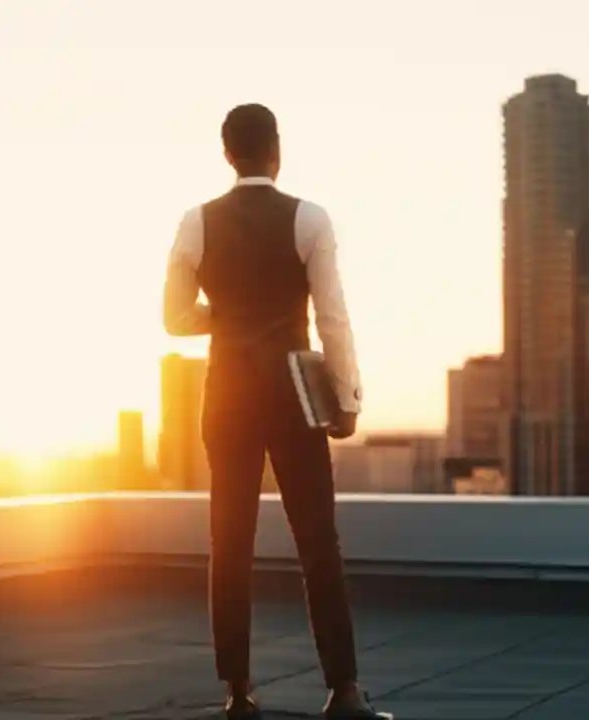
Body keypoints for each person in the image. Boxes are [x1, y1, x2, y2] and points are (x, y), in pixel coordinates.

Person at [163, 104, 390, 720]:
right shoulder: (309, 219)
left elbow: (175, 318)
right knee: (318, 542)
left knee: (228, 542)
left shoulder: (195, 223)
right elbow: (332, 317)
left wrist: (228, 319)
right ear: (276, 150)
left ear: (226, 153)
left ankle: (237, 693)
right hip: (293, 393)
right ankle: (343, 691)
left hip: (228, 392)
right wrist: (346, 400)